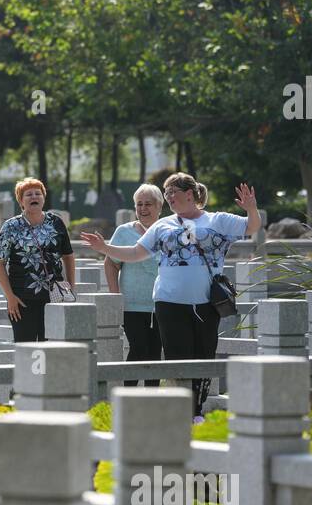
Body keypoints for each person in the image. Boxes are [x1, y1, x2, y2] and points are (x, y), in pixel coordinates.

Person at [81, 173, 259, 420]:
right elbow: (135, 252)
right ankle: (180, 410)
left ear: (190, 194)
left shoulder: (217, 220)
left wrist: (251, 209)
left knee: (204, 356)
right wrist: (105, 249)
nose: (169, 198)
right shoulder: (162, 225)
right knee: (177, 357)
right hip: (168, 302)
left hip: (207, 303)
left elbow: (252, 227)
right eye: (166, 193)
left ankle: (197, 411)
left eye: (172, 192)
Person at [0, 177, 76, 342]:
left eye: (38, 193)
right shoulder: (10, 226)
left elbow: (68, 255)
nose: (34, 197)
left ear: (43, 199)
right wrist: (9, 297)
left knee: (53, 347)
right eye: (28, 194)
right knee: (26, 349)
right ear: (21, 201)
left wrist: (71, 288)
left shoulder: (56, 222)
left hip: (55, 298)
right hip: (22, 300)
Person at [103, 184, 163, 387]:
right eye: (139, 204)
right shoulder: (124, 232)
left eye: (149, 204)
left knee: (155, 352)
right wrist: (115, 296)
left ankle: (151, 400)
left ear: (160, 207)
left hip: (163, 304)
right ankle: (127, 396)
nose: (143, 209)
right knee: (138, 349)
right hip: (132, 305)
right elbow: (111, 263)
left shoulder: (169, 230)